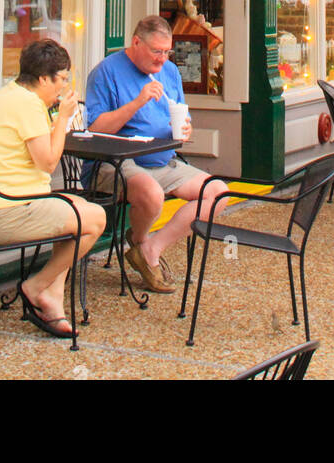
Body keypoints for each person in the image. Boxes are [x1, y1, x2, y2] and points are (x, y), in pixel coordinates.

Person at [82, 15, 229, 293]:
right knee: (151, 193)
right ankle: (139, 242)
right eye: (156, 52)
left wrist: (185, 128)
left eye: (167, 51)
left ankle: (150, 249)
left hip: (162, 159)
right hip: (116, 162)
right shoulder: (106, 72)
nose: (162, 59)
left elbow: (180, 113)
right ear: (136, 42)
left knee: (218, 192)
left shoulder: (170, 71)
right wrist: (138, 101)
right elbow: (95, 129)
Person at [0, 39, 106, 337]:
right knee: (96, 218)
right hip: (3, 214)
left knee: (77, 207)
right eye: (61, 79)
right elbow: (47, 163)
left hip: (2, 205)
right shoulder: (28, 104)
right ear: (44, 78)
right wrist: (62, 118)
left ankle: (52, 299)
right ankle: (35, 287)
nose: (63, 86)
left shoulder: (12, 94)